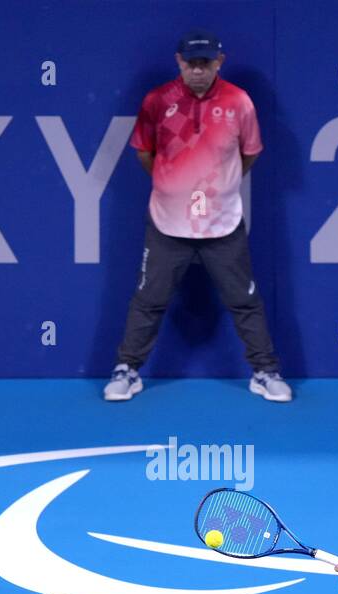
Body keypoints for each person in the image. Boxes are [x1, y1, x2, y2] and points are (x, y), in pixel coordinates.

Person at [103, 29, 292, 403]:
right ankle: (127, 370)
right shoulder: (157, 102)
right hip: (167, 224)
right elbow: (145, 152)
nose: (198, 71)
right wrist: (174, 183)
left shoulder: (240, 103)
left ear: (219, 62)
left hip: (222, 225)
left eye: (205, 63)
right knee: (148, 300)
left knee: (244, 301)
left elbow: (249, 154)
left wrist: (217, 185)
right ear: (179, 62)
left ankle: (265, 372)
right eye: (191, 64)